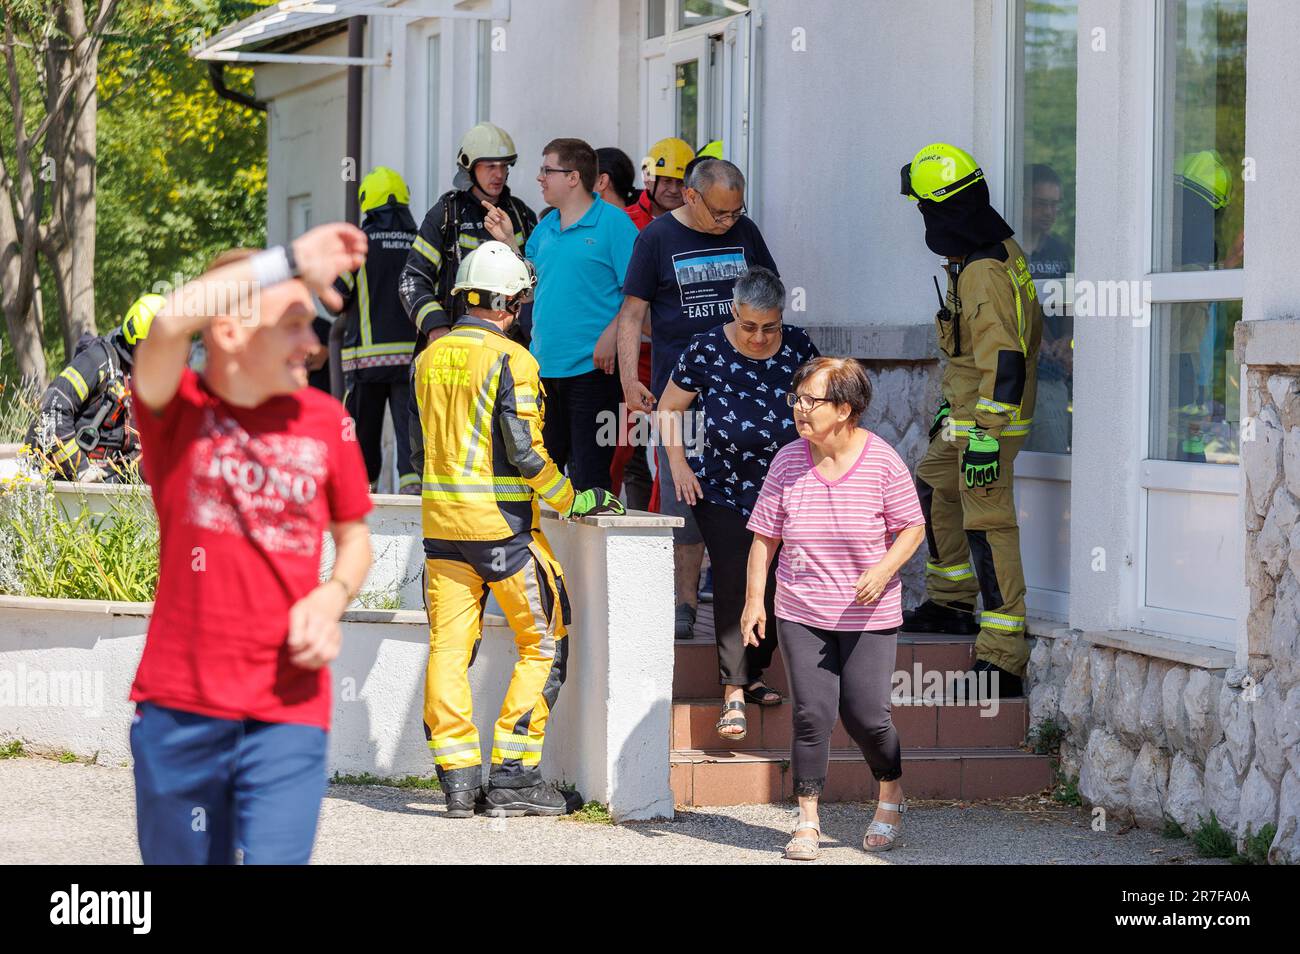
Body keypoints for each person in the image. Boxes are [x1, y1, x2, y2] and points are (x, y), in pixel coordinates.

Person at [127, 224, 374, 864]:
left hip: (288, 711)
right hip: (181, 709)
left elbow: (354, 538)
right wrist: (289, 260)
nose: (312, 343)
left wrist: (332, 595)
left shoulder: (328, 422)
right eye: (292, 322)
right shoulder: (176, 408)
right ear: (231, 331)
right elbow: (168, 326)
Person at [413, 240, 625, 818]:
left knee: (450, 651)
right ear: (507, 301)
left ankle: (458, 784)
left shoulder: (427, 358)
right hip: (504, 534)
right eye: (519, 301)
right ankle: (513, 777)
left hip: (441, 532)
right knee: (546, 642)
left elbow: (421, 447)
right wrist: (574, 500)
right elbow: (527, 453)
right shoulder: (514, 360)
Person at [741, 357, 926, 860]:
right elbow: (764, 539)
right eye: (796, 399)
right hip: (801, 608)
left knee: (867, 716)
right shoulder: (787, 462)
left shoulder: (883, 461)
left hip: (868, 613)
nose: (799, 409)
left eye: (811, 401)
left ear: (845, 409)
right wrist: (755, 600)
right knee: (811, 713)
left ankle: (890, 791)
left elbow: (912, 527)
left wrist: (884, 570)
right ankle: (807, 820)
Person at [899, 142, 1043, 699]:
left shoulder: (983, 270)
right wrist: (953, 411)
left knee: (989, 522)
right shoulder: (994, 249)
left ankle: (1004, 656)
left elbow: (1005, 358)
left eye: (923, 207)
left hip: (988, 424)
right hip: (967, 414)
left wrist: (985, 433)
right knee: (935, 484)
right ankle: (951, 603)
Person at [617, 157, 778, 639]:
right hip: (680, 399)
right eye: (721, 214)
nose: (730, 222)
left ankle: (754, 601)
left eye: (737, 212)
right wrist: (629, 381)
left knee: (753, 503)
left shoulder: (745, 233)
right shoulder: (657, 239)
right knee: (682, 502)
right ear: (690, 196)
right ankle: (684, 602)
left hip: (746, 393)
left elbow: (772, 299)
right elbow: (631, 314)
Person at [658, 267, 818, 738]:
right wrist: (680, 465)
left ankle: (753, 675)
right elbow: (669, 407)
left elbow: (822, 403)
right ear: (734, 311)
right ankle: (732, 691)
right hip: (722, 488)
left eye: (769, 327)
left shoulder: (799, 346)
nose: (758, 337)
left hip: (785, 489)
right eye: (748, 326)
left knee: (770, 584)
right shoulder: (707, 347)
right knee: (733, 577)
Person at [487, 138, 639, 490]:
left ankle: (590, 548)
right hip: (542, 371)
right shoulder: (545, 227)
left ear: (573, 177)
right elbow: (528, 292)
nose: (539, 178)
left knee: (590, 480)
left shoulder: (615, 225)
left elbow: (638, 295)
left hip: (593, 373)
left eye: (547, 170)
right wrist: (510, 242)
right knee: (541, 478)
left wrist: (612, 335)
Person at [399, 122, 538, 353]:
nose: (500, 174)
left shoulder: (520, 215)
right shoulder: (446, 214)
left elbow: (536, 284)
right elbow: (412, 279)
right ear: (469, 167)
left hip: (509, 348)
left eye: (504, 166)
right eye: (490, 166)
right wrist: (436, 327)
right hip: (456, 346)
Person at [330, 167, 420, 493]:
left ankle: (361, 492)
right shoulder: (420, 241)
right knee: (410, 429)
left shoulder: (359, 245)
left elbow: (335, 300)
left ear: (369, 203)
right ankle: (411, 492)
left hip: (367, 364)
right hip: (410, 361)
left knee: (361, 432)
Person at [23, 293, 165, 482]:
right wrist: (79, 468)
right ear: (138, 339)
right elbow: (54, 407)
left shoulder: (149, 376)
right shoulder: (97, 361)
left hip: (113, 477)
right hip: (66, 478)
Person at [1022, 164, 1074, 454]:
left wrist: (1068, 340)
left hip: (1053, 371)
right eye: (1041, 203)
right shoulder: (1011, 250)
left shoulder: (1059, 250)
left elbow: (1069, 303)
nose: (1049, 213)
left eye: (1054, 205)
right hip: (1021, 372)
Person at [625, 137, 693, 230]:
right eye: (667, 181)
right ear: (648, 180)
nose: (674, 190)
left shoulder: (702, 224)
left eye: (680, 182)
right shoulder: (623, 221)